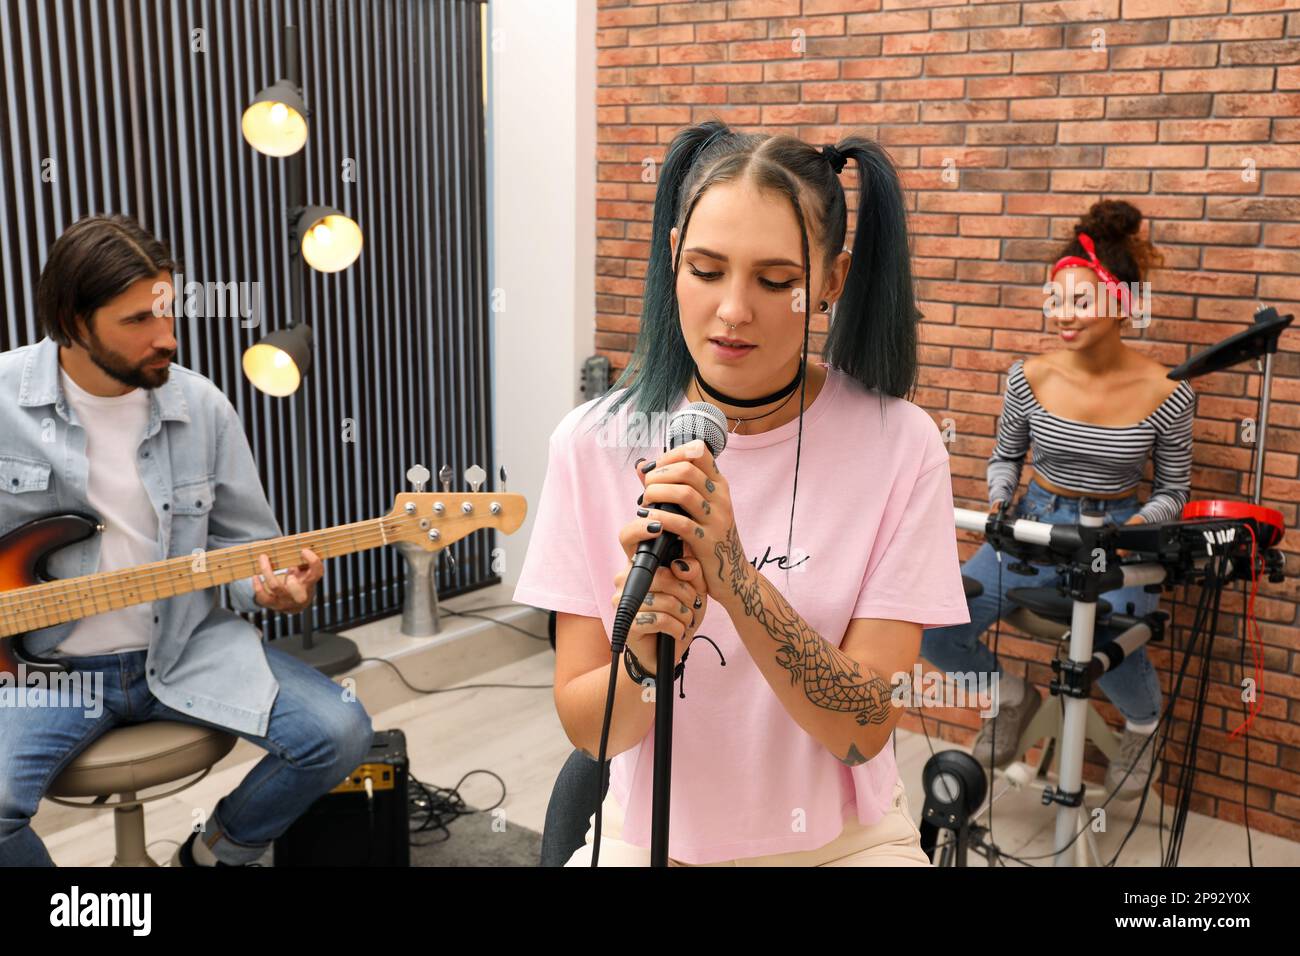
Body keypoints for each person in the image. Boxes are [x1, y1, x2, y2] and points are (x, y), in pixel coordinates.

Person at [514, 121, 969, 866]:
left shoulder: (900, 445)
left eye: (775, 281)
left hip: (844, 843)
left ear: (830, 280)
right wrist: (645, 656)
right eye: (705, 269)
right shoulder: (591, 445)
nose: (732, 310)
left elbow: (861, 730)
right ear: (671, 260)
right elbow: (588, 730)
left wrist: (737, 584)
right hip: (654, 836)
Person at [0, 214, 373, 866]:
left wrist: (272, 587)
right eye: (138, 320)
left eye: (169, 313)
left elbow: (249, 546)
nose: (166, 339)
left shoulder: (199, 406)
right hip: (38, 674)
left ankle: (216, 851)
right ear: (73, 320)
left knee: (340, 730)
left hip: (183, 647)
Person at [921, 199, 1195, 800]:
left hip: (1116, 533)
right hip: (1036, 525)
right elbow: (1006, 458)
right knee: (936, 627)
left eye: (1080, 300)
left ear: (1123, 303)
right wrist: (999, 499)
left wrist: (1135, 528)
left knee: (1109, 641)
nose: (1061, 315)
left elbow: (1174, 490)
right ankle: (1012, 699)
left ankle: (1144, 728)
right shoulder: (1029, 376)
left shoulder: (1168, 391)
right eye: (1055, 299)